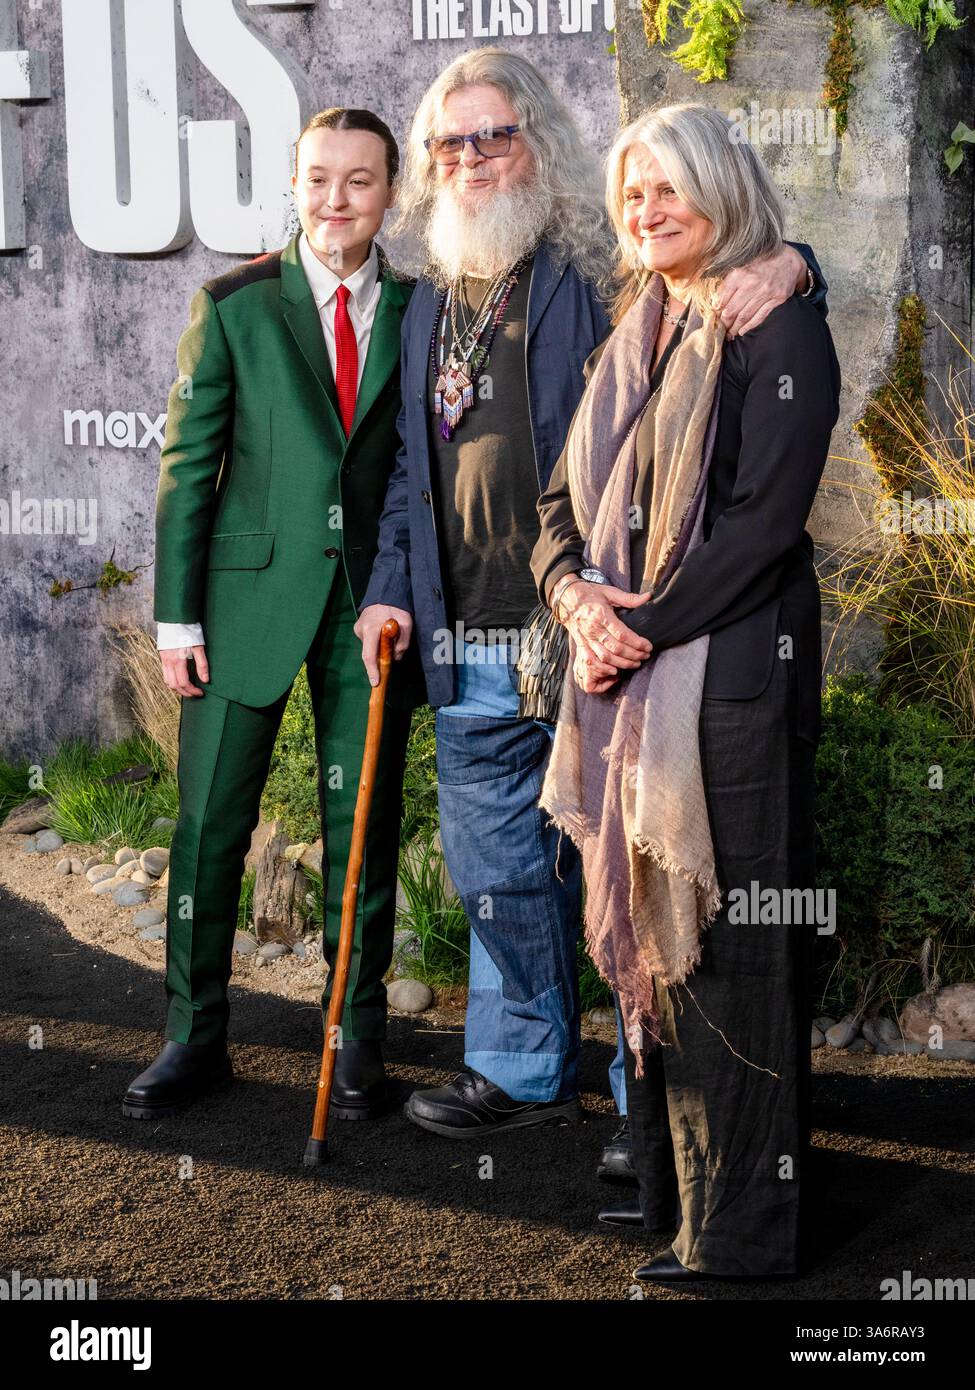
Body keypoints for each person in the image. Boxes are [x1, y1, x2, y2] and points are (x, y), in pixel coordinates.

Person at [356, 49, 824, 1143]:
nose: (470, 158)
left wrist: (799, 264)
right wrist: (388, 593)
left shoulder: (594, 262)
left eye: (494, 134)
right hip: (470, 626)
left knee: (625, 865)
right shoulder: (423, 298)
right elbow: (399, 479)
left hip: (599, 625)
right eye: (450, 142)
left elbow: (719, 257)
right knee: (497, 867)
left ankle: (644, 1101)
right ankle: (521, 1067)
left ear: (540, 144)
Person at [532, 101, 840, 1280]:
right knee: (657, 953)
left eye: (668, 188)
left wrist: (639, 625)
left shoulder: (780, 325)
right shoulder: (640, 329)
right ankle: (670, 1196)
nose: (646, 211)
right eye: (631, 194)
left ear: (721, 186)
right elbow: (559, 510)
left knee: (732, 955)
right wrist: (578, 607)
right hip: (632, 681)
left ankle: (741, 1238)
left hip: (733, 687)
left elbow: (762, 527)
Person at [122, 109, 424, 1121]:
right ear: (295, 186)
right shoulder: (235, 305)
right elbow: (186, 470)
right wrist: (176, 620)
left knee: (363, 834)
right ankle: (192, 1038)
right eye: (319, 178)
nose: (337, 199)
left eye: (361, 181)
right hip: (241, 603)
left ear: (393, 192)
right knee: (210, 828)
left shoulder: (422, 312)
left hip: (367, 615)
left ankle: (355, 1045)